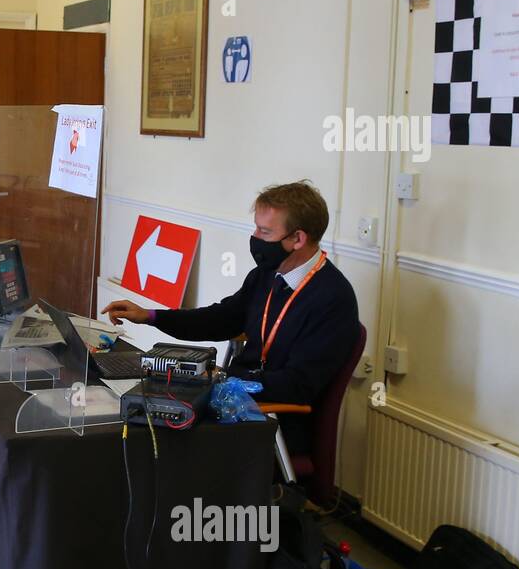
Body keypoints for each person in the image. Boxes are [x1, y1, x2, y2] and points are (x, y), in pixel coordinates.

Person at [102, 180, 359, 453]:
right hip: (234, 402)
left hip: (272, 424)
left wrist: (224, 383)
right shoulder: (267, 275)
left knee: (152, 443)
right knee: (134, 423)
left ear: (297, 239)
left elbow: (298, 386)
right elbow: (221, 318)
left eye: (264, 231)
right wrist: (151, 316)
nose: (255, 237)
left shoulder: (333, 299)